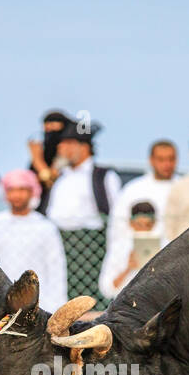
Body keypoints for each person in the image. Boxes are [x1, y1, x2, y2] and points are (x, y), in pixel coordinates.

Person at [42, 122, 120, 300]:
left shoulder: (103, 177)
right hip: (59, 246)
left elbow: (115, 217)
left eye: (67, 143)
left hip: (91, 249)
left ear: (83, 147)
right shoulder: (60, 178)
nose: (60, 148)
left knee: (91, 300)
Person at [0, 169, 69, 313]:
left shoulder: (45, 227)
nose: (16, 195)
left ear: (33, 191)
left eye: (22, 189)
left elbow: (56, 267)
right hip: (0, 301)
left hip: (40, 303)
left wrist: (57, 305)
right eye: (11, 190)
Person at [107, 139, 178, 247]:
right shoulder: (133, 189)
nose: (167, 164)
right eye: (161, 159)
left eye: (171, 159)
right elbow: (118, 228)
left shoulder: (185, 187)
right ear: (151, 160)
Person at [98, 200, 157, 299]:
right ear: (131, 223)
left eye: (147, 225)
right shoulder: (119, 248)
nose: (143, 230)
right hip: (126, 301)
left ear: (154, 223)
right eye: (139, 225)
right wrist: (128, 269)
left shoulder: (164, 245)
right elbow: (106, 288)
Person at [28, 110, 71, 215]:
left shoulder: (68, 152)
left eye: (53, 127)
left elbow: (50, 179)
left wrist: (37, 159)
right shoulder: (44, 149)